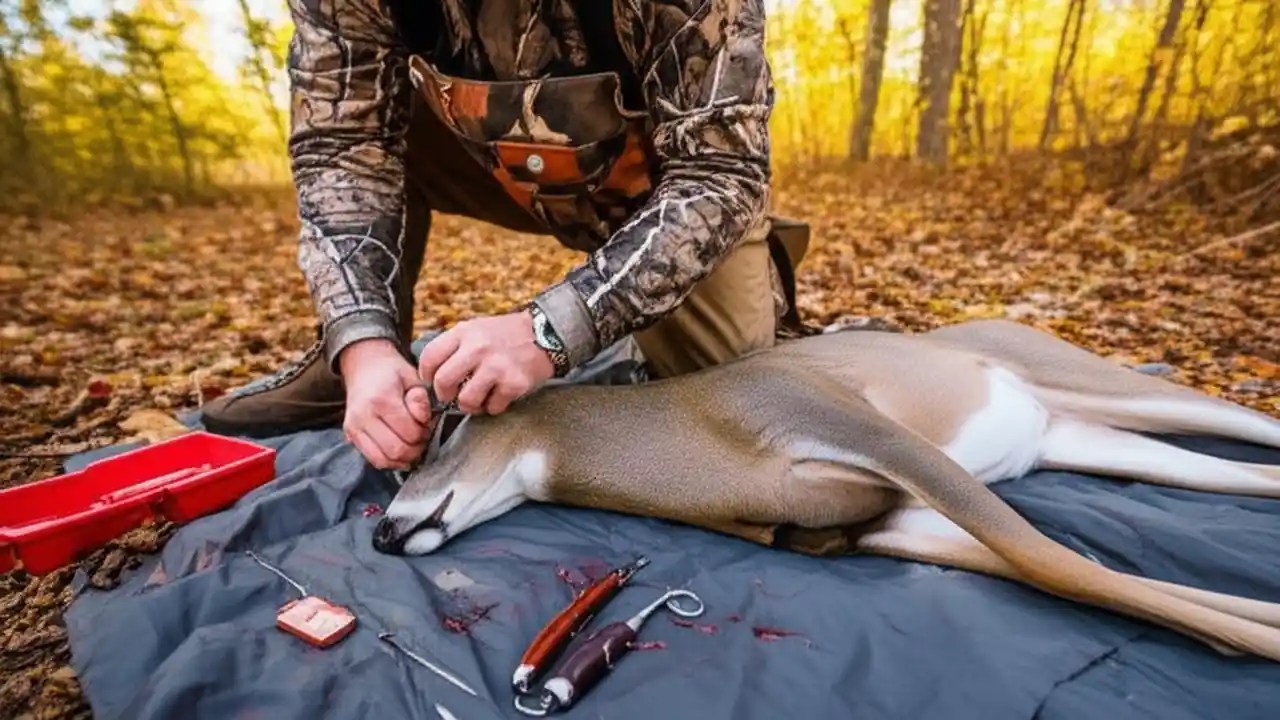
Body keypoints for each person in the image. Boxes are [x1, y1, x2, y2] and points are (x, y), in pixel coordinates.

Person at [200, 0, 811, 470]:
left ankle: (732, 277)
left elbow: (718, 172)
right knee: (372, 130)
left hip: (658, 184)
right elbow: (342, 146)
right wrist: (361, 343)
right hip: (492, 157)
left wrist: (552, 329)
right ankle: (357, 369)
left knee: (732, 418)